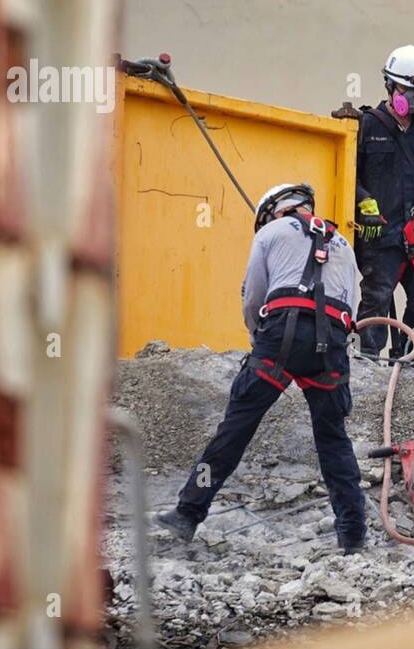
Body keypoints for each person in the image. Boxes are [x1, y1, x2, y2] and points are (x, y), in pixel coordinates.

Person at [155, 183, 367, 553]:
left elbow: (254, 295)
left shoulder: (270, 233)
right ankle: (352, 535)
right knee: (334, 440)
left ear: (275, 211)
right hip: (330, 346)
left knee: (235, 429)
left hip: (281, 337)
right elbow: (352, 301)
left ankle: (188, 514)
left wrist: (259, 341)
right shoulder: (344, 244)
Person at [354, 45, 414, 360]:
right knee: (376, 300)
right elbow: (346, 175)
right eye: (408, 89)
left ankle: (408, 361)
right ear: (390, 86)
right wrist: (363, 202)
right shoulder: (366, 126)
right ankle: (368, 362)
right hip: (380, 239)